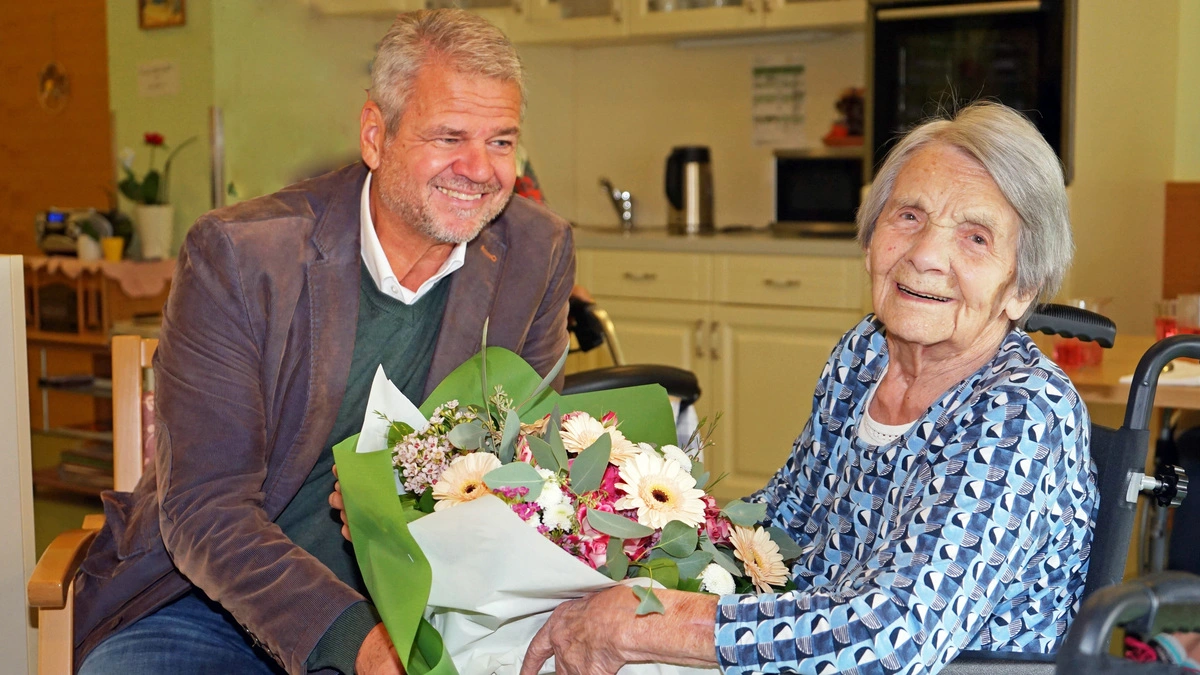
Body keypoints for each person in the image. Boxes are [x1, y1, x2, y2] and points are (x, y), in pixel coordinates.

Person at [74, 9, 574, 675]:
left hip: (425, 604)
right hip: (208, 604)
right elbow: (206, 509)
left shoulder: (535, 252)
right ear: (375, 135)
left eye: (501, 141)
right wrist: (358, 643)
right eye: (449, 136)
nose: (480, 169)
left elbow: (527, 467)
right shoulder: (241, 257)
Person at [519, 102, 1098, 675]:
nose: (925, 255)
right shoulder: (866, 354)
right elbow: (783, 524)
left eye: (975, 238)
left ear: (1021, 288)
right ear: (870, 240)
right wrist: (626, 540)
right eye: (908, 216)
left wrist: (649, 622)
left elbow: (893, 637)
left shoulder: (1022, 413)